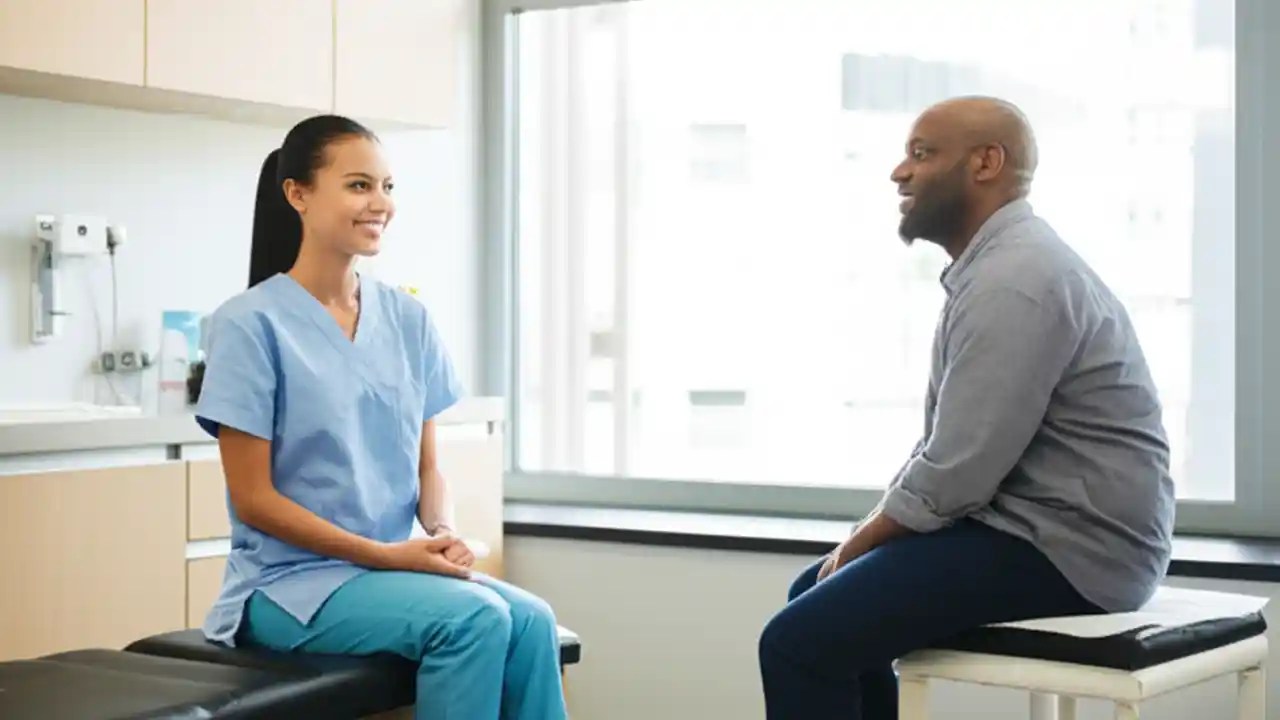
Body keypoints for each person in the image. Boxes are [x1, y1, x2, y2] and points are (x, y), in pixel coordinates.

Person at [757, 96, 1176, 719]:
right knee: (810, 602)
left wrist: (863, 539)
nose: (900, 172)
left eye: (921, 154)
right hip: (1034, 529)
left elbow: (958, 470)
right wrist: (863, 542)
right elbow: (949, 449)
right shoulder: (997, 267)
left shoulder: (1016, 280)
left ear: (986, 163)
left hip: (1076, 550)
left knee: (798, 642)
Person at [194, 114, 568, 720]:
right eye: (359, 185)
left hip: (388, 574)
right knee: (474, 619)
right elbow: (254, 498)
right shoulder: (248, 323)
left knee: (532, 621)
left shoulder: (407, 318)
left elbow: (427, 469)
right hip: (289, 586)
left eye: (388, 187)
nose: (380, 204)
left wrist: (440, 529)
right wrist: (387, 556)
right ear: (298, 194)